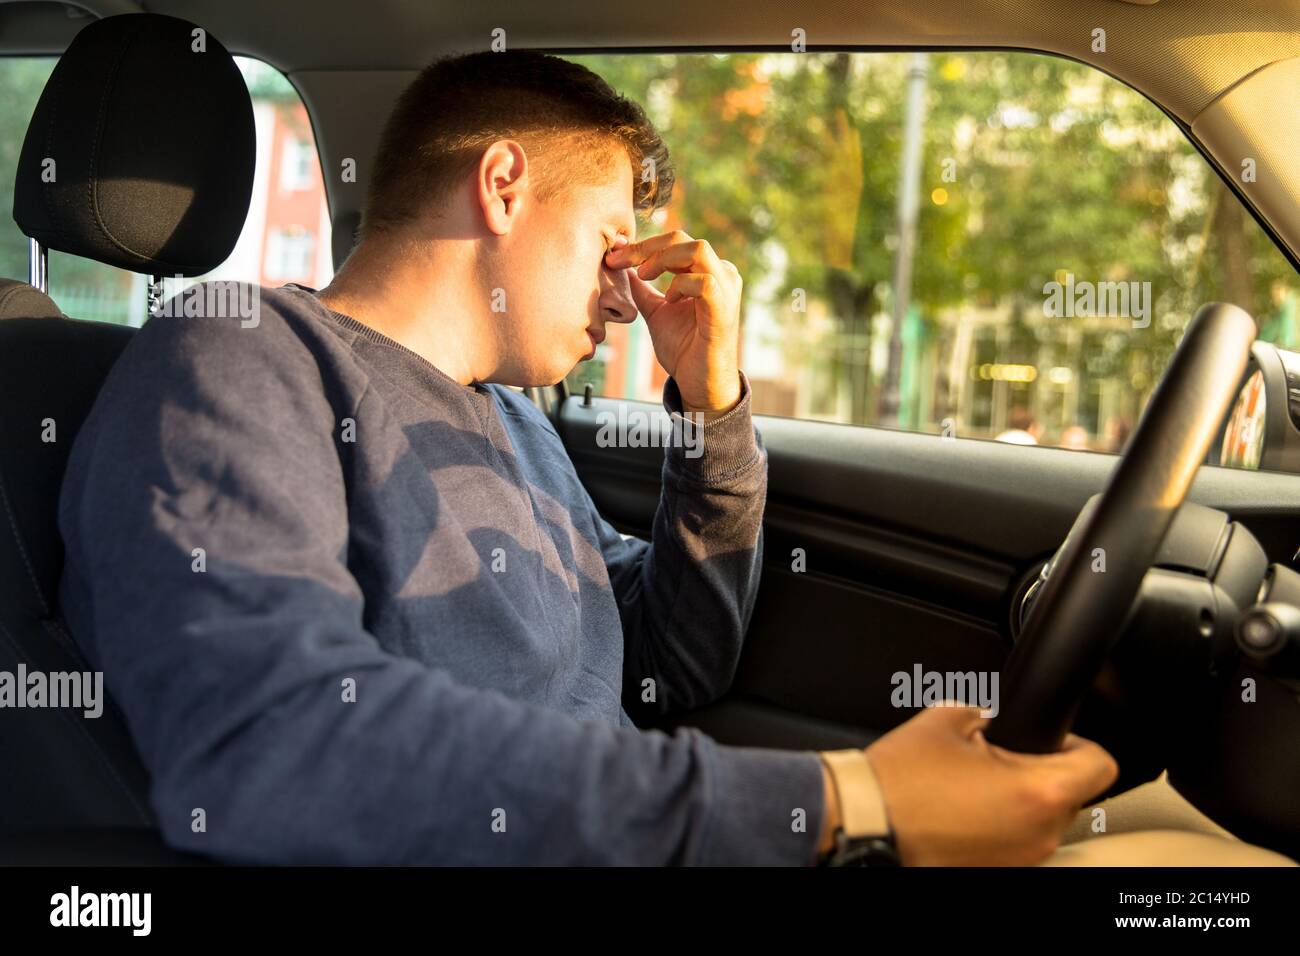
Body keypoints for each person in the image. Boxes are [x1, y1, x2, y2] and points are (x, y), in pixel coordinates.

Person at [58, 50, 1119, 866]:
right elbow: (272, 743)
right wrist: (845, 802)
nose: (625, 289)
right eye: (611, 239)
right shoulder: (237, 355)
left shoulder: (514, 420)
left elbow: (669, 662)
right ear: (504, 185)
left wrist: (712, 405)